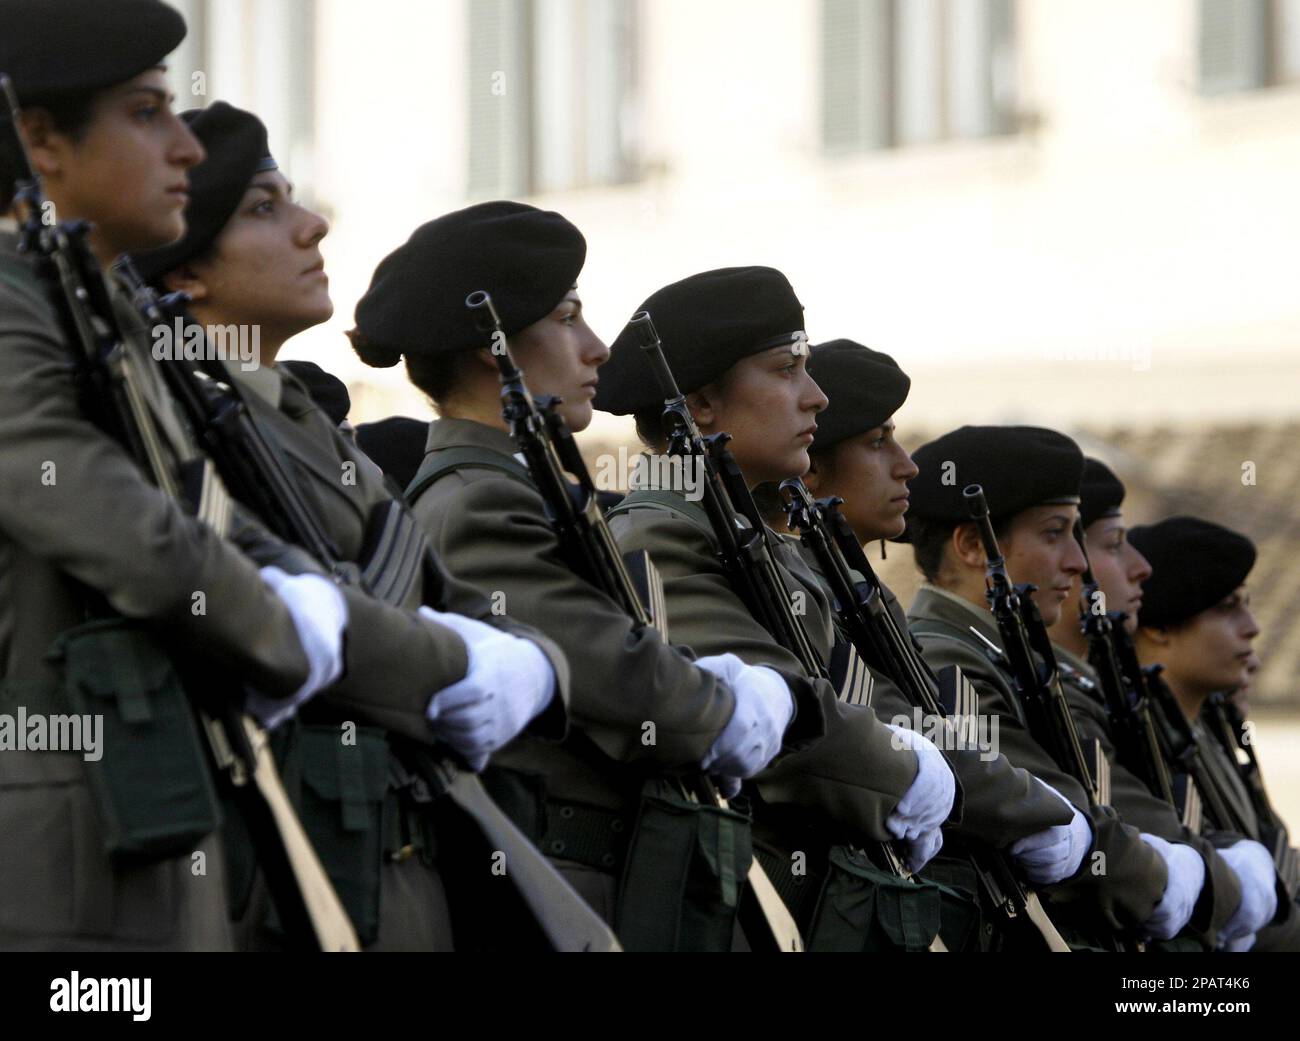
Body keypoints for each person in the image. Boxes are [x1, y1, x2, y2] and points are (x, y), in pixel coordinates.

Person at [128, 106, 573, 949]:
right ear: (187, 275)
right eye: (264, 208)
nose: (313, 223)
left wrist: (532, 666)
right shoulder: (172, 428)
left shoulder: (305, 423)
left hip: (394, 862)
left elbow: (462, 606)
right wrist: (464, 660)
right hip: (282, 882)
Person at [348, 203, 806, 951]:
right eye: (568, 319)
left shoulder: (530, 491)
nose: (596, 349)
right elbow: (610, 669)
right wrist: (734, 705)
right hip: (568, 886)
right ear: (490, 351)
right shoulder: (479, 500)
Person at [0, 0, 340, 951]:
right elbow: (127, 531)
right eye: (148, 113)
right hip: (50, 882)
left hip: (148, 841)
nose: (187, 146)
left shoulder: (101, 318)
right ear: (40, 141)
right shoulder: (17, 312)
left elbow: (212, 520)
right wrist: (285, 628)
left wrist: (332, 612)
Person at [597, 267, 958, 951]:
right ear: (701, 403)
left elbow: (867, 704)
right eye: (787, 369)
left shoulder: (757, 545)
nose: (817, 398)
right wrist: (920, 774)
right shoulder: (664, 538)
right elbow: (794, 728)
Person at [756, 339, 1097, 949]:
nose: (908, 466)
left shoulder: (858, 594)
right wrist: (1048, 816)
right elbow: (898, 734)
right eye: (878, 442)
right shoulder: (807, 595)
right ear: (810, 466)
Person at [899, 424, 1203, 947]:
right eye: (1053, 533)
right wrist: (1164, 878)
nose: (1078, 562)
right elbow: (1051, 808)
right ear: (974, 546)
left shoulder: (1003, 656)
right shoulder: (949, 657)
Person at [1043, 458, 1253, 949]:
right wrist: (1241, 892)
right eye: (1114, 546)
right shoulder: (1060, 695)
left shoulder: (1110, 697)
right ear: (1160, 630)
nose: (1141, 570)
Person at [1129, 515, 1299, 950]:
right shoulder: (1136, 739)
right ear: (1159, 627)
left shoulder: (1206, 731)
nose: (1253, 627)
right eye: (1227, 608)